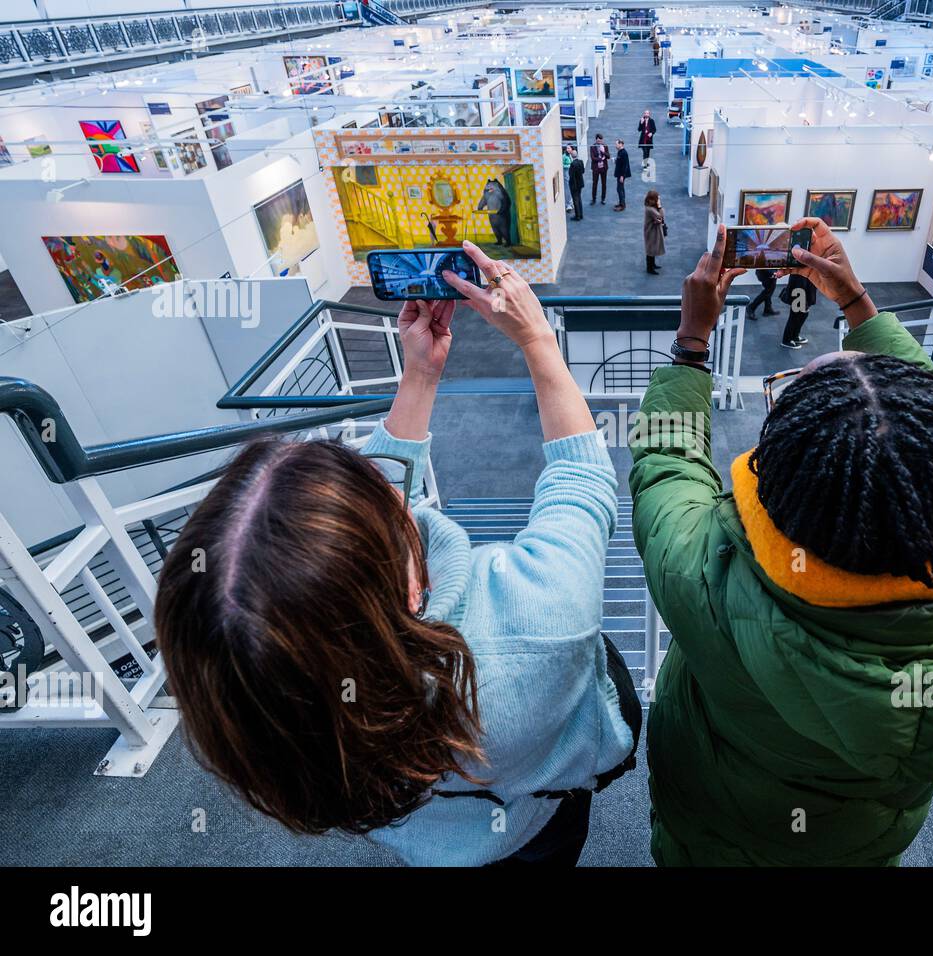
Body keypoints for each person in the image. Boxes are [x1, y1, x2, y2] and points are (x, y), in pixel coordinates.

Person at [154, 240, 640, 867]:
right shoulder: (538, 624)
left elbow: (347, 556)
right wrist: (537, 341)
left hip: (432, 842)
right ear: (411, 590)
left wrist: (421, 374)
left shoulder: (259, 694)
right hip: (539, 817)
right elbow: (581, 483)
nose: (396, 499)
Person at [628, 221, 933, 866]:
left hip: (716, 817)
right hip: (864, 837)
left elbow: (669, 461)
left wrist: (691, 342)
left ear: (779, 473)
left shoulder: (707, 578)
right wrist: (857, 306)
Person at [780, 272, 816, 349]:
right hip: (800, 280)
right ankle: (786, 340)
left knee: (804, 312)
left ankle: (795, 336)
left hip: (808, 279)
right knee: (796, 313)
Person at [643, 190, 666, 274]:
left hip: (653, 230)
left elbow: (658, 217)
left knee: (652, 248)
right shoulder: (650, 209)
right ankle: (649, 268)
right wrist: (659, 206)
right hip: (651, 231)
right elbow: (660, 215)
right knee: (650, 250)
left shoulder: (650, 206)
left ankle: (652, 265)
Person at [589, 133, 610, 206]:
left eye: (600, 141)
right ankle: (594, 199)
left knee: (604, 184)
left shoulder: (605, 146)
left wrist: (603, 152)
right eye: (598, 141)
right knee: (595, 183)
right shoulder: (592, 147)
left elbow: (608, 156)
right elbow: (592, 158)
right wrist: (600, 159)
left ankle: (603, 199)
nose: (599, 142)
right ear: (596, 140)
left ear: (602, 140)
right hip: (596, 168)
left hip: (604, 168)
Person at [613, 138, 632, 211]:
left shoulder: (624, 153)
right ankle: (621, 203)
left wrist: (622, 176)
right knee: (620, 188)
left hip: (621, 174)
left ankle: (622, 205)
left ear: (621, 144)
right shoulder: (620, 152)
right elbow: (620, 161)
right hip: (620, 174)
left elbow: (625, 165)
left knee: (619, 189)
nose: (615, 145)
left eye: (616, 144)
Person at [568, 146, 585, 221]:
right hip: (580, 183)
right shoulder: (581, 162)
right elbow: (583, 171)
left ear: (572, 156)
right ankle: (581, 214)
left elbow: (571, 175)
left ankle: (577, 216)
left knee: (575, 200)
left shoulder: (572, 164)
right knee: (579, 199)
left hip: (574, 185)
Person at [561, 144, 574, 214]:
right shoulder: (564, 156)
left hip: (571, 174)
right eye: (567, 148)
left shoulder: (571, 155)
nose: (568, 149)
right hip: (566, 174)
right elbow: (561, 165)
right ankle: (568, 205)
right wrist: (569, 165)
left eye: (569, 148)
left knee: (571, 189)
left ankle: (571, 202)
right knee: (567, 189)